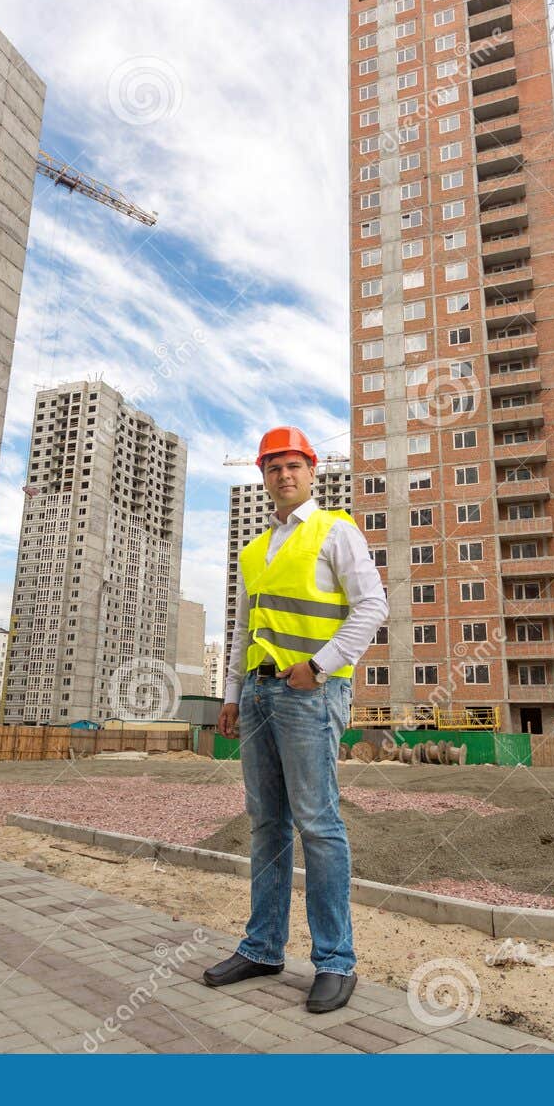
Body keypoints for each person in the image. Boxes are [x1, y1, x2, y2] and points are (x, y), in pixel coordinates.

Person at [206, 426, 387, 1013]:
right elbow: (242, 630)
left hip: (311, 694)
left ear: (312, 472)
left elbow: (373, 607)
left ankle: (335, 961)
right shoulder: (255, 550)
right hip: (258, 696)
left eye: (294, 466)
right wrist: (230, 694)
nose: (284, 475)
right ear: (262, 476)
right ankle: (263, 947)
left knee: (318, 823)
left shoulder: (336, 530)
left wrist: (321, 665)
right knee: (266, 825)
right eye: (273, 467)